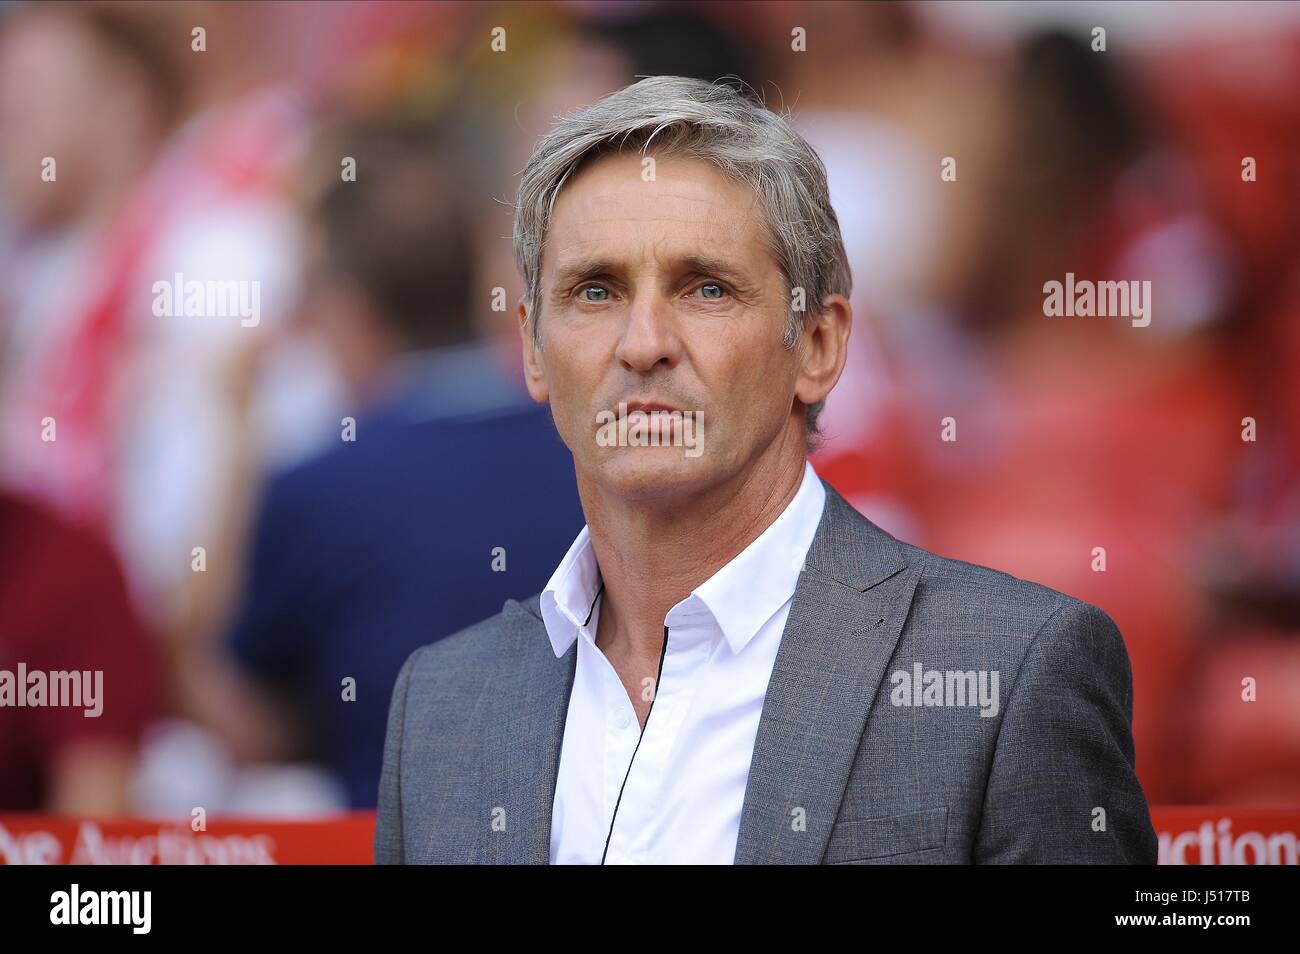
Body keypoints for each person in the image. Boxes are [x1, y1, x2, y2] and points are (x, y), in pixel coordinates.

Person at [375, 76, 1158, 864]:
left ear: (818, 345)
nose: (643, 343)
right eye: (596, 290)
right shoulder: (439, 706)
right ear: (534, 350)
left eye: (706, 288)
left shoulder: (1009, 671)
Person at [175, 120, 584, 809]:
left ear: (346, 309)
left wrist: (234, 434)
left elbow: (240, 724)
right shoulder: (592, 450)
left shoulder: (317, 488)